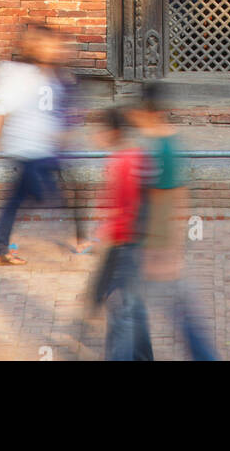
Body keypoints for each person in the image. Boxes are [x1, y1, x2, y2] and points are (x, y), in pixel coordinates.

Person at [128, 82, 216, 361]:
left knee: (180, 314)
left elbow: (171, 202)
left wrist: (168, 252)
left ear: (148, 112)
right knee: (136, 307)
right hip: (154, 245)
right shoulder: (163, 144)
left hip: (158, 248)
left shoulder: (161, 150)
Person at [0, 22, 72, 264]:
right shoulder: (17, 72)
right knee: (45, 193)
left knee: (17, 199)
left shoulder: (49, 75)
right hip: (28, 148)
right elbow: (1, 104)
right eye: (46, 44)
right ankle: (78, 236)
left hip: (40, 148)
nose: (52, 49)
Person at [90, 107, 153, 362]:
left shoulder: (120, 163)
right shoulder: (138, 156)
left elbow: (124, 210)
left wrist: (105, 234)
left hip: (125, 244)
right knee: (134, 307)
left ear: (113, 131)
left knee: (122, 313)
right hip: (139, 241)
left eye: (102, 130)